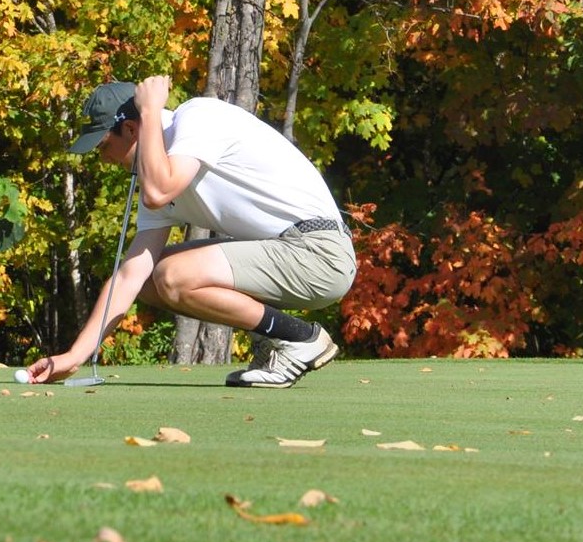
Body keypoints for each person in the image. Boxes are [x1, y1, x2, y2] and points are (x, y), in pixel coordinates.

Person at [25, 75, 356, 388]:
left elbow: (159, 191)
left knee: (172, 274)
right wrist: (75, 356)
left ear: (130, 128)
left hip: (320, 254)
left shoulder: (199, 117)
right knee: (151, 280)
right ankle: (280, 340)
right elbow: (129, 276)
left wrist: (151, 110)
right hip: (286, 253)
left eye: (103, 145)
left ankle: (299, 339)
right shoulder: (157, 174)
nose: (103, 159)